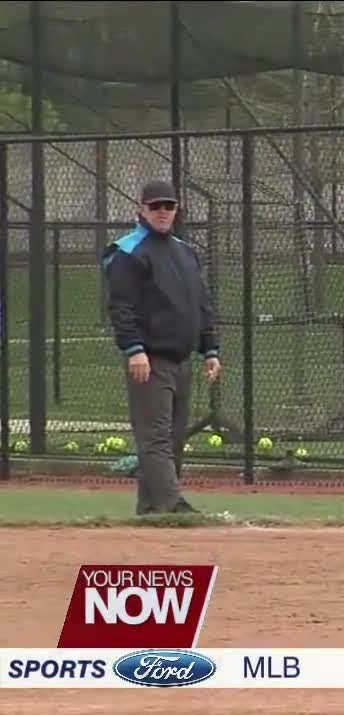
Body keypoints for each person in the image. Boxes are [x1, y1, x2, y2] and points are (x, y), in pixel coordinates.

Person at [102, 178, 222, 516]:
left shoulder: (184, 251)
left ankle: (152, 507)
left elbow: (201, 304)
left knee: (173, 438)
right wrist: (134, 348)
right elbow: (121, 307)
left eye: (168, 206)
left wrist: (210, 349)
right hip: (150, 358)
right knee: (155, 437)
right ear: (141, 209)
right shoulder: (128, 251)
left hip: (181, 358)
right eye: (155, 206)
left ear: (176, 210)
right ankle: (173, 504)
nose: (162, 212)